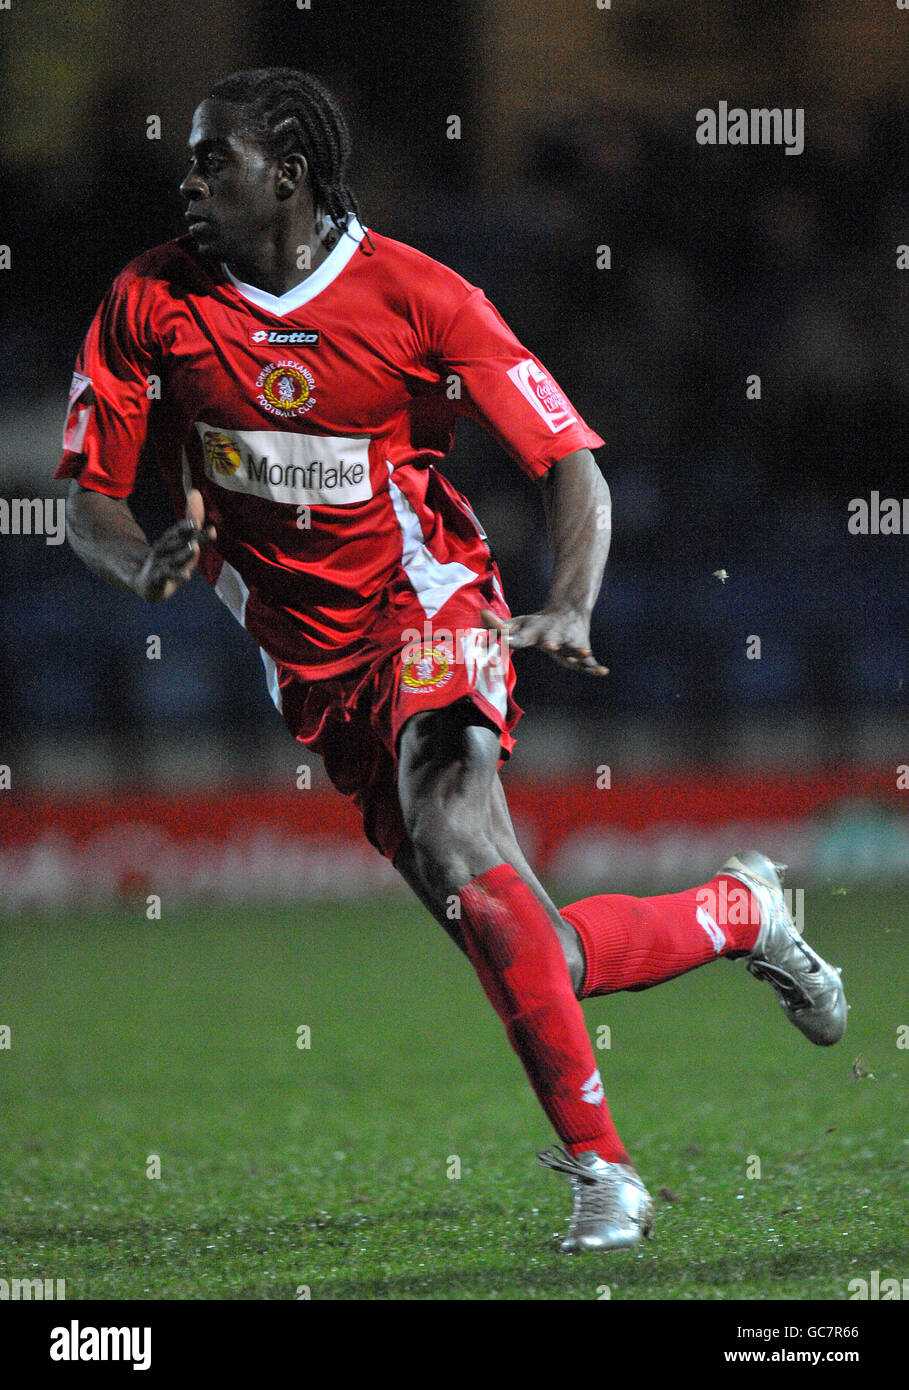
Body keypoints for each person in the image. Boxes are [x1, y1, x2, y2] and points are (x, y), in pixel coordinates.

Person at [58, 68, 847, 1253]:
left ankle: (607, 1176)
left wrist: (570, 602)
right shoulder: (149, 299)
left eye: (212, 158)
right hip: (310, 672)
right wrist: (143, 563)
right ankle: (738, 912)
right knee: (528, 943)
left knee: (455, 834)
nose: (190, 180)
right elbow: (87, 502)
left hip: (432, 607)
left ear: (292, 173)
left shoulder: (421, 297)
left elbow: (573, 459)